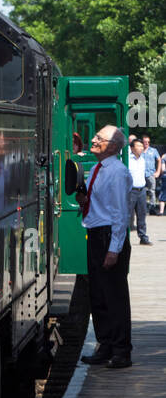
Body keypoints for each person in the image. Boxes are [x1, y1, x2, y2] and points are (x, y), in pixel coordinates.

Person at [78, 126, 133, 369]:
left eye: (99, 138)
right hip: (96, 233)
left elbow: (120, 213)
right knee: (98, 294)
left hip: (109, 235)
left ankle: (121, 350)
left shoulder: (117, 172)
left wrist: (114, 249)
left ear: (113, 146)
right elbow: (98, 204)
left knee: (114, 295)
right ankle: (106, 345)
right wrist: (84, 202)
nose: (93, 139)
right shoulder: (97, 170)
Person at [127, 138, 152, 244]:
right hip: (130, 191)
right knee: (127, 214)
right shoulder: (127, 159)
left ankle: (143, 237)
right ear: (132, 148)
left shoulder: (143, 159)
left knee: (142, 214)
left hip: (141, 190)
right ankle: (123, 237)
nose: (141, 148)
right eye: (138, 146)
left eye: (142, 146)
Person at [142, 135, 161, 211]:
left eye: (148, 142)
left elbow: (159, 160)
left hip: (150, 174)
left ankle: (152, 207)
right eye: (145, 142)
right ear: (142, 142)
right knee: (141, 191)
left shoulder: (153, 150)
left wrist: (158, 171)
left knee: (152, 191)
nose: (147, 143)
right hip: (141, 174)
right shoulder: (139, 150)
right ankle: (143, 206)